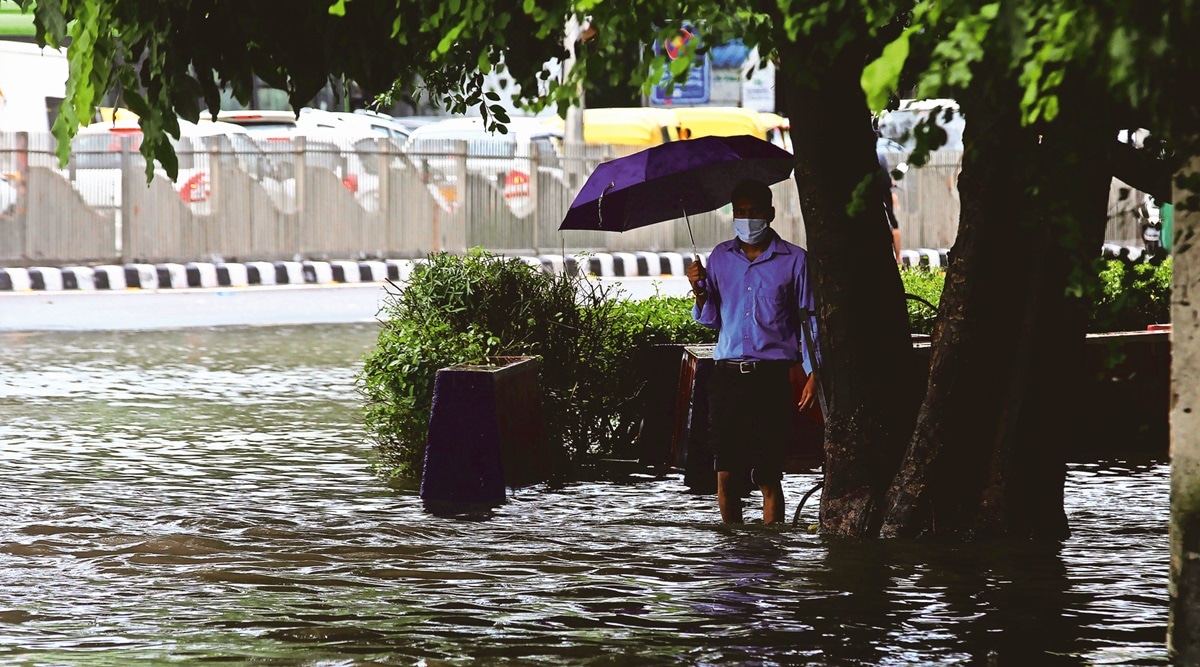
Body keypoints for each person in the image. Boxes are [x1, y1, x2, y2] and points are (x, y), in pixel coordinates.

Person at [685, 179, 819, 525]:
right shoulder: (719, 258)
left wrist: (814, 373)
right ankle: (731, 546)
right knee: (726, 472)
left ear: (770, 214)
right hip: (726, 378)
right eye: (740, 212)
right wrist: (698, 291)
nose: (747, 219)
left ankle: (770, 552)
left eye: (754, 212)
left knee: (767, 474)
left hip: (771, 379)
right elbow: (712, 318)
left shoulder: (794, 260)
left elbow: (810, 322)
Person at [878, 146, 902, 263]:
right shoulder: (880, 155)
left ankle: (897, 256)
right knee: (894, 225)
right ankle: (898, 257)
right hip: (882, 192)